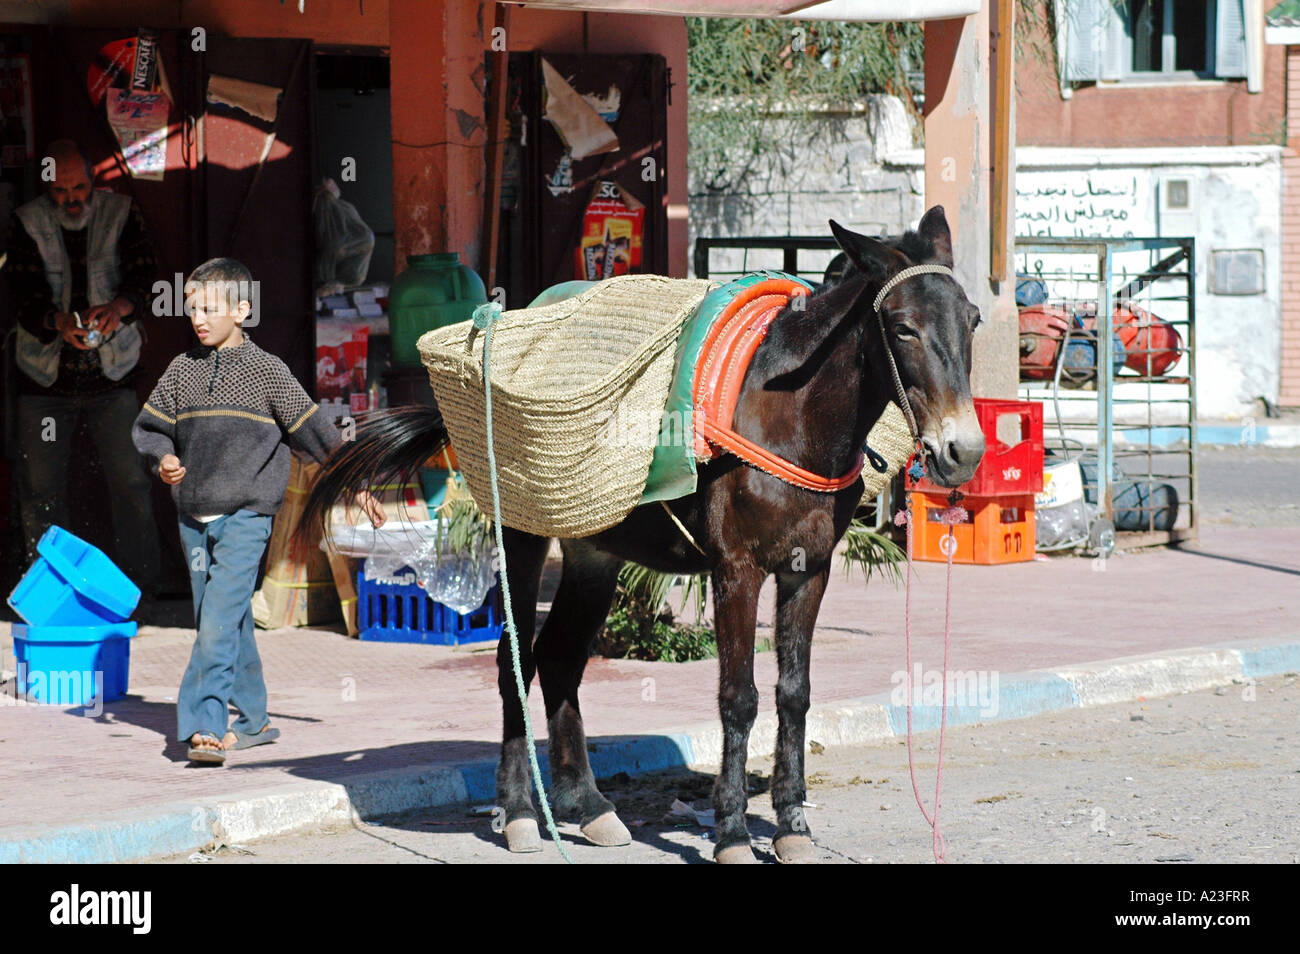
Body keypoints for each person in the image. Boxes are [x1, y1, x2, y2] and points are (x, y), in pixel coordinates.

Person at [132, 257, 386, 763]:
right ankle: (254, 721)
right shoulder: (182, 371)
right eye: (191, 309)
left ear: (242, 310)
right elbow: (149, 428)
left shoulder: (268, 372)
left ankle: (204, 725)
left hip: (248, 516)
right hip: (193, 517)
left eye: (209, 308)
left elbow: (317, 436)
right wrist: (163, 460)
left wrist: (354, 484)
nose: (198, 318)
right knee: (223, 618)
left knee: (217, 622)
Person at [7, 139, 162, 608]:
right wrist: (59, 324)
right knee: (41, 491)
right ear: (45, 188)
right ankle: (48, 599)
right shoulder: (25, 222)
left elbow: (146, 278)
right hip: (44, 379)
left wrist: (119, 307)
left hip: (112, 375)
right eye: (61, 191)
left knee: (131, 481)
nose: (72, 198)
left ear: (93, 182)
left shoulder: (122, 213)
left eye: (79, 187)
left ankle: (140, 592)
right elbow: (20, 295)